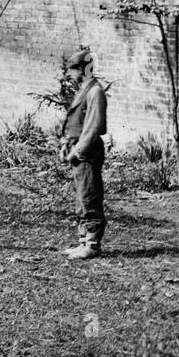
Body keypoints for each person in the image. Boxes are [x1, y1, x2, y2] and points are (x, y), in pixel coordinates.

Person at [60, 46, 108, 260]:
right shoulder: (85, 89)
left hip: (87, 152)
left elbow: (93, 127)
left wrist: (76, 151)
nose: (70, 74)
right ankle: (83, 241)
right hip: (79, 150)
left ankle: (93, 244)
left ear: (82, 69)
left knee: (90, 196)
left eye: (72, 70)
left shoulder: (95, 91)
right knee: (81, 198)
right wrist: (65, 145)